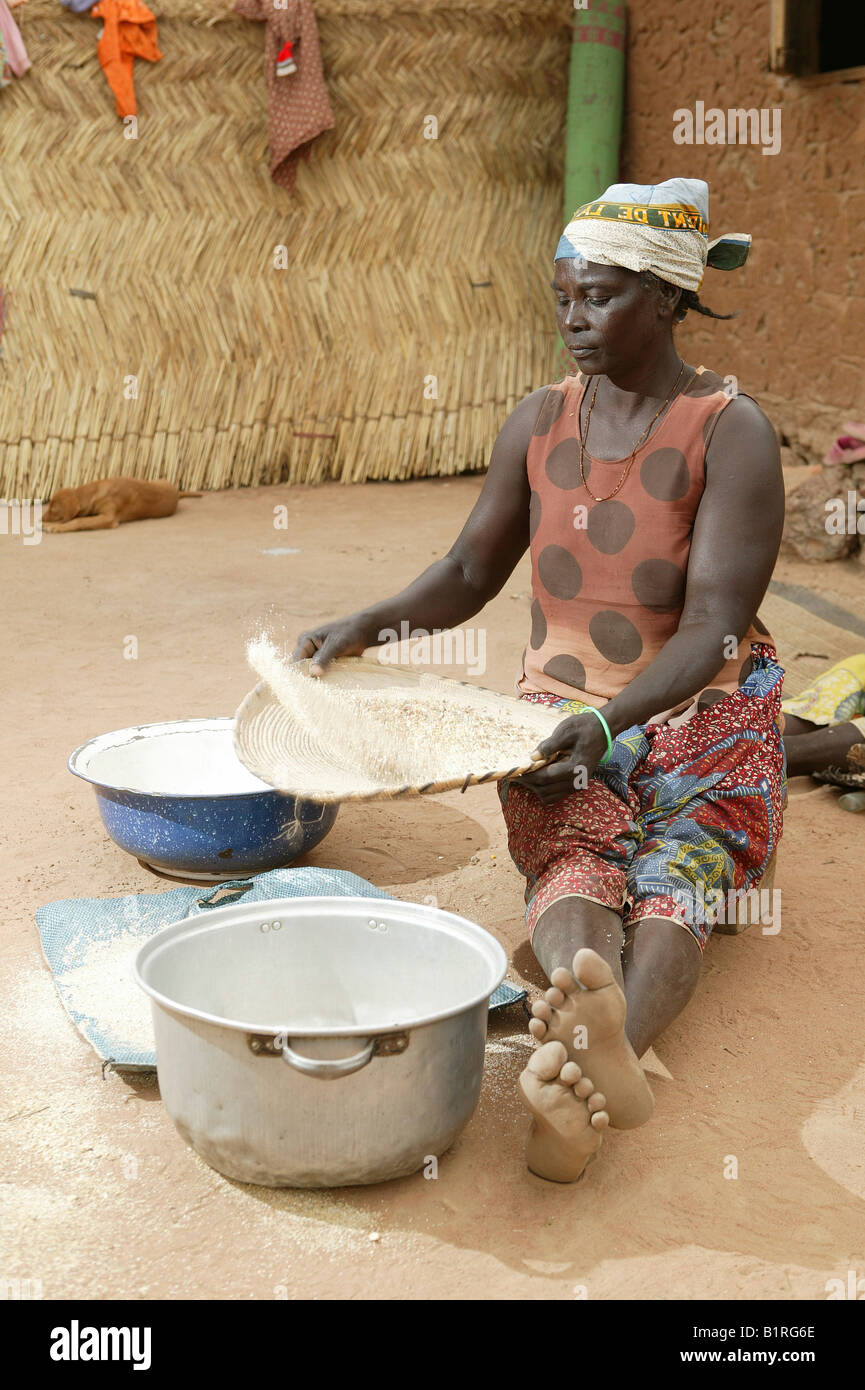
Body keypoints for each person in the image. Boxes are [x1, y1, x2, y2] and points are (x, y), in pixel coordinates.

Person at [293, 178, 788, 1182]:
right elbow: (470, 571)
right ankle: (597, 1034)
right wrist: (362, 624)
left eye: (599, 295)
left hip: (703, 715)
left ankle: (588, 1054)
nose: (573, 317)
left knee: (676, 866)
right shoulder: (538, 421)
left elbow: (710, 628)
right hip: (561, 718)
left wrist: (610, 725)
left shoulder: (729, 431)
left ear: (666, 296)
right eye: (563, 294)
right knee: (569, 853)